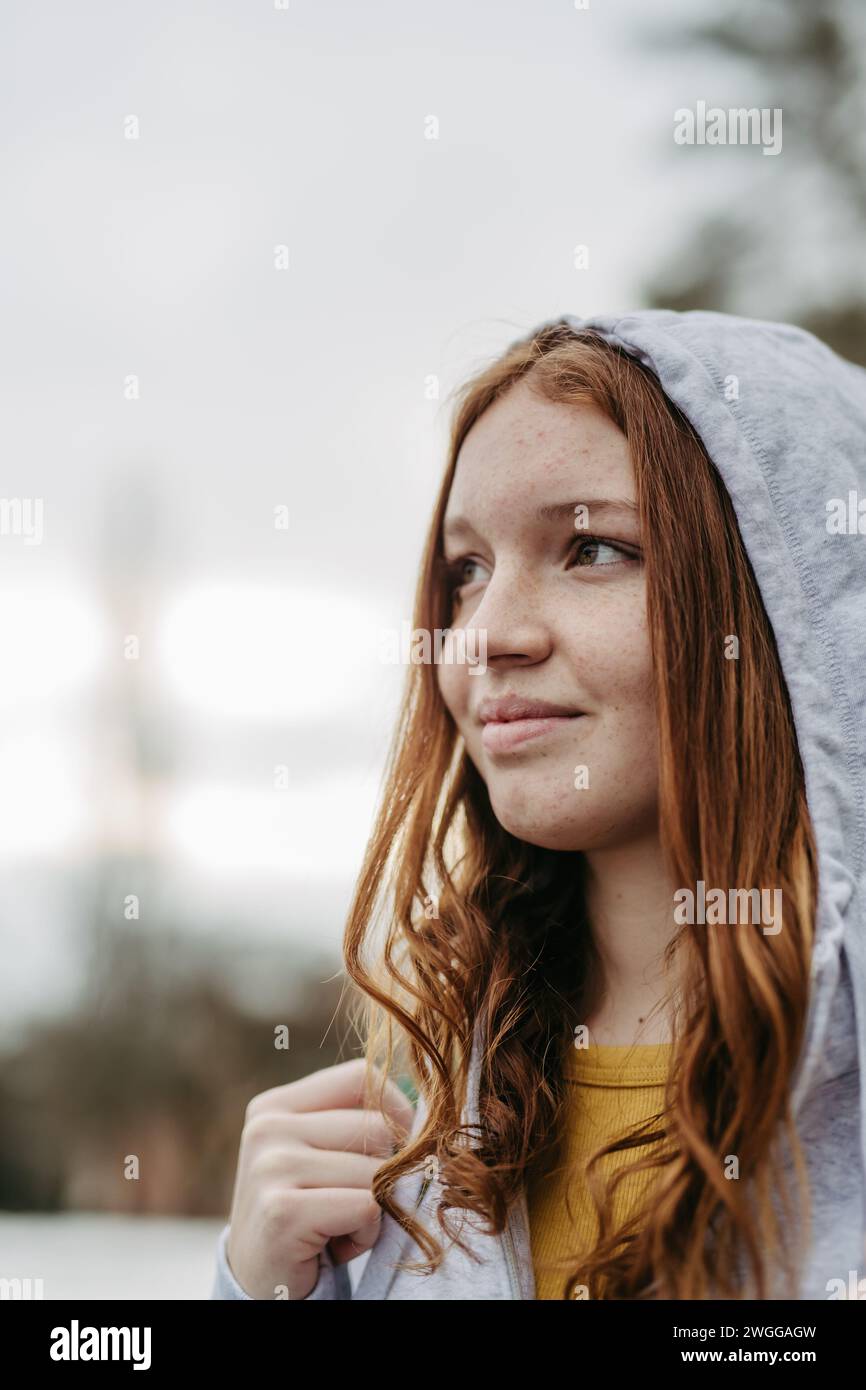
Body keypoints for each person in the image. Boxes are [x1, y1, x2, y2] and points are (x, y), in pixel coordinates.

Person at [212, 309, 866, 1300]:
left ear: (793, 603)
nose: (483, 635)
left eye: (590, 548)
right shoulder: (395, 1183)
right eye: (464, 569)